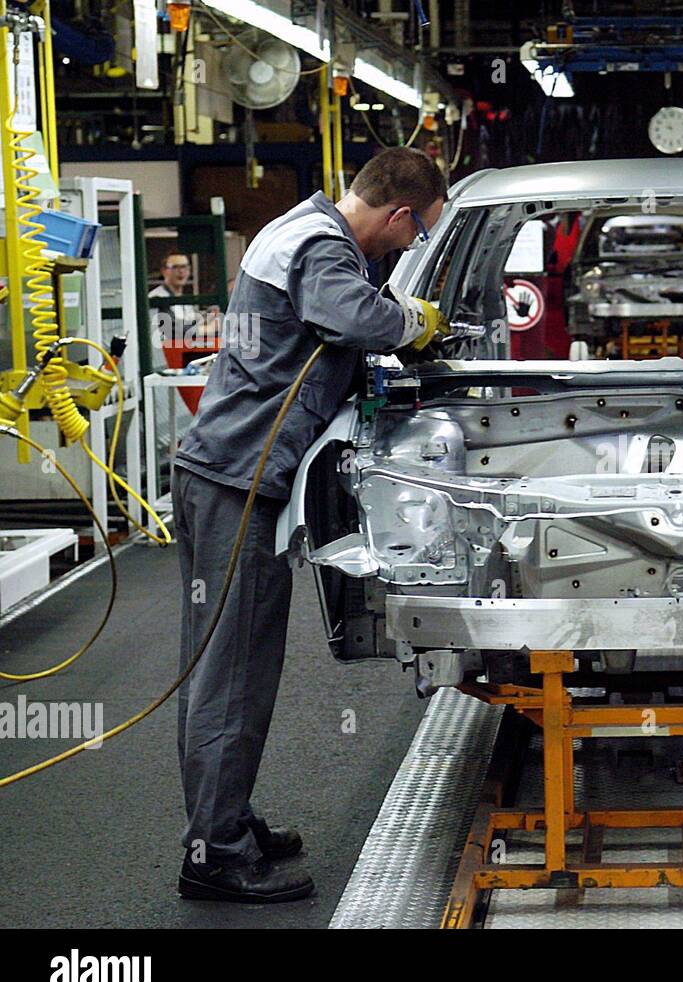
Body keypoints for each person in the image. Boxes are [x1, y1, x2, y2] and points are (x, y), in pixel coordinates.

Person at [171, 147, 449, 903]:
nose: (407, 247)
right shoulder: (324, 248)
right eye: (415, 234)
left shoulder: (300, 226)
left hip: (218, 469)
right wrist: (413, 320)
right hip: (240, 479)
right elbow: (356, 316)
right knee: (234, 672)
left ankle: (219, 817)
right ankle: (215, 853)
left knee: (216, 666)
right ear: (398, 215)